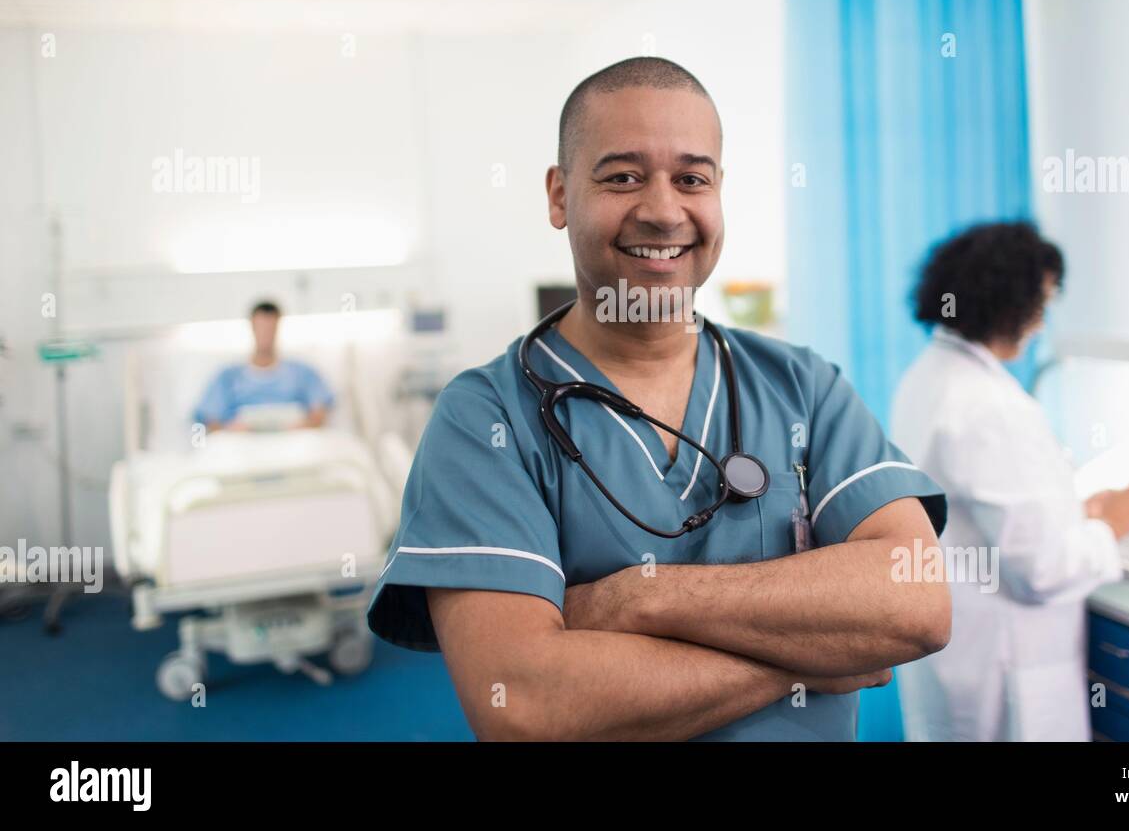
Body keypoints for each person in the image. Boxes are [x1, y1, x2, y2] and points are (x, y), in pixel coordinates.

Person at [366, 57, 952, 741]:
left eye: (691, 179)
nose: (663, 210)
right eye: (622, 177)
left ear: (718, 194)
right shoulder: (486, 420)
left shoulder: (802, 387)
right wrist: (815, 656)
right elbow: (522, 704)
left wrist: (633, 598)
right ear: (559, 196)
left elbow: (917, 603)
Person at [890, 222, 1129, 741]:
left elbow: (987, 514)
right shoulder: (989, 406)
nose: (1042, 322)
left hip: (959, 649)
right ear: (1005, 303)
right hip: (1007, 665)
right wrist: (1110, 529)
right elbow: (1041, 570)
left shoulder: (930, 376)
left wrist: (1077, 512)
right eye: (1040, 304)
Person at [193, 300, 334, 432]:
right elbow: (209, 419)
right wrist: (230, 430)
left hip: (294, 445)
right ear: (252, 326)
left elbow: (319, 412)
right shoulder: (228, 377)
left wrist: (303, 426)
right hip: (240, 448)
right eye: (261, 327)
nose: (266, 334)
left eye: (270, 328)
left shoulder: (302, 373)